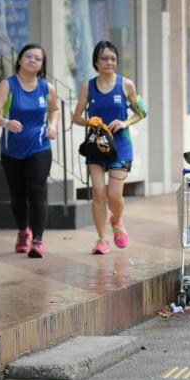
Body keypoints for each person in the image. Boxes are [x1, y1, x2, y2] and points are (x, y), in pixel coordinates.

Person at [73, 41, 146, 255]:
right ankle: (101, 238)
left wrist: (126, 122)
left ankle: (116, 221)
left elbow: (142, 112)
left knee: (114, 195)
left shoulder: (126, 85)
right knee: (98, 192)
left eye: (113, 58)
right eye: (104, 58)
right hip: (96, 146)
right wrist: (89, 122)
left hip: (121, 146)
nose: (109, 62)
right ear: (96, 61)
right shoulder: (88, 86)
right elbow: (76, 117)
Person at [0, 43, 60, 258]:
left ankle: (37, 240)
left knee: (36, 191)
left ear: (41, 66)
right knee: (18, 195)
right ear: (19, 60)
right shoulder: (7, 85)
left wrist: (53, 126)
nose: (32, 60)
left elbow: (54, 110)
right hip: (12, 149)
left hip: (39, 146)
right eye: (28, 56)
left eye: (37, 58)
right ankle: (22, 233)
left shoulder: (47, 88)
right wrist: (6, 122)